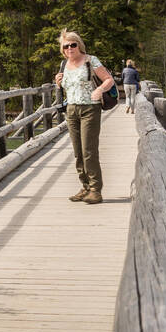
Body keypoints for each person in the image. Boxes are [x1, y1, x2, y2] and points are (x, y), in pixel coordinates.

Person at [53, 30, 115, 205]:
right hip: (71, 110)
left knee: (89, 150)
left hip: (90, 109)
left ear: (79, 45)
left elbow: (108, 80)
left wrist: (99, 90)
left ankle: (96, 190)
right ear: (63, 49)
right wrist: (58, 83)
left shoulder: (90, 60)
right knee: (78, 151)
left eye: (73, 44)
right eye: (66, 46)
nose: (70, 48)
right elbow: (66, 87)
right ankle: (85, 186)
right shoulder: (64, 64)